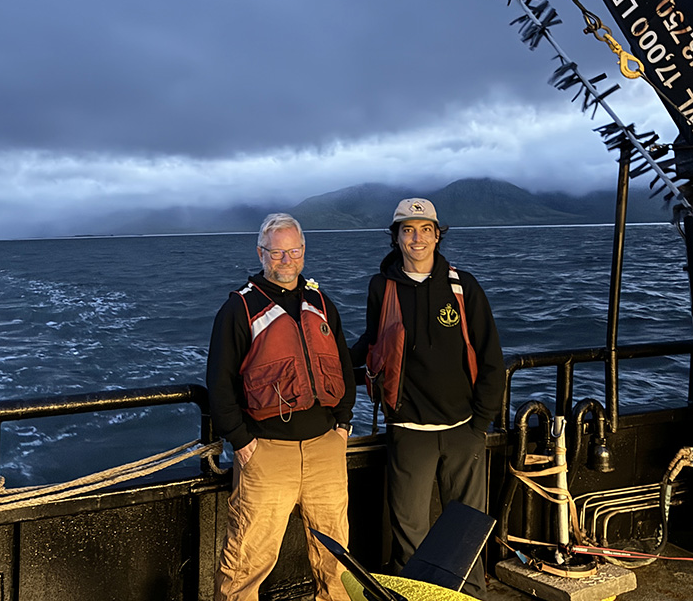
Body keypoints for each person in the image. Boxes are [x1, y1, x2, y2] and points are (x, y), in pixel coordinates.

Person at [350, 198, 505, 598]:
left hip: (462, 429)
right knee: (409, 534)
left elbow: (490, 356)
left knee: (466, 530)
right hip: (407, 429)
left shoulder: (463, 286)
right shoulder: (380, 287)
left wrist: (480, 422)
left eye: (424, 229)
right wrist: (328, 369)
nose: (416, 238)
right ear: (396, 237)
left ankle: (471, 597)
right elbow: (373, 344)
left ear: (438, 235)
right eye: (407, 229)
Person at [207, 212, 356, 601]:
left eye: (293, 251)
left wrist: (342, 425)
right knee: (247, 560)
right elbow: (220, 382)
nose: (286, 260)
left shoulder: (322, 303)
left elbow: (343, 364)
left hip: (326, 446)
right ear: (261, 253)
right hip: (267, 453)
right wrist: (242, 442)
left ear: (303, 251)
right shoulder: (239, 309)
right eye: (277, 253)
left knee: (335, 557)